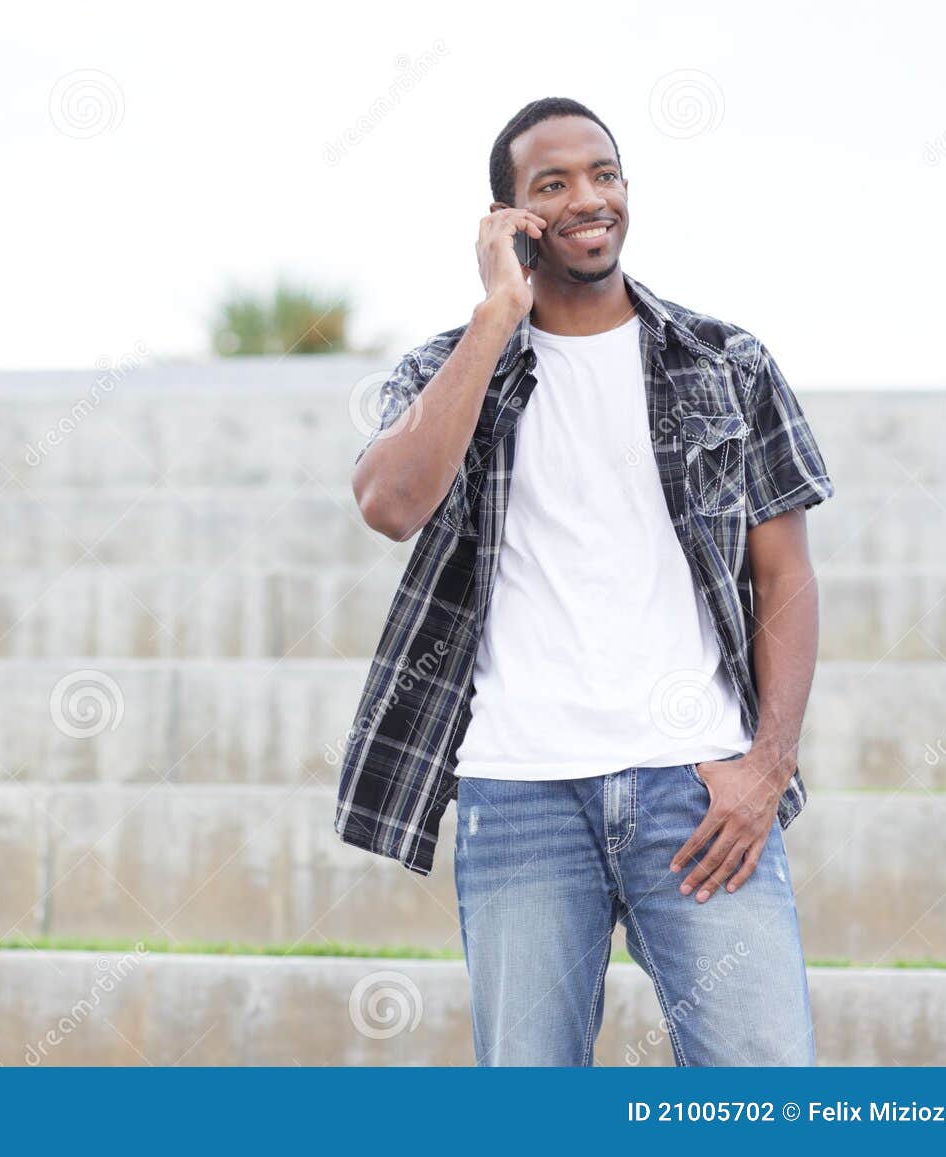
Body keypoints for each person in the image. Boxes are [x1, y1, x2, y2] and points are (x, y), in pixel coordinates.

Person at [334, 96, 834, 1066]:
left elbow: (786, 575)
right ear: (508, 218)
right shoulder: (448, 367)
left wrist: (765, 766)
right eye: (552, 184)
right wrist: (497, 315)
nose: (587, 198)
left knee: (764, 1083)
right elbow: (390, 503)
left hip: (699, 786)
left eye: (603, 173)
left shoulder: (724, 359)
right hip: (518, 791)